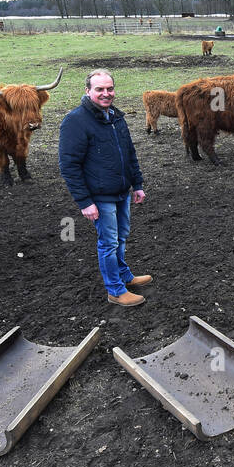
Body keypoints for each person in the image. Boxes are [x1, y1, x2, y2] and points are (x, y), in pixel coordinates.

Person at [58, 69, 150, 307]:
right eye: (99, 89)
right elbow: (69, 166)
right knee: (108, 243)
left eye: (109, 89)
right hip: (100, 196)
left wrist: (137, 184)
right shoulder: (75, 121)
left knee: (120, 238)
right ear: (88, 91)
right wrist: (85, 202)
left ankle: (124, 276)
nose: (106, 93)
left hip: (122, 192)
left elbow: (129, 154)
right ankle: (116, 290)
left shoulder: (116, 117)